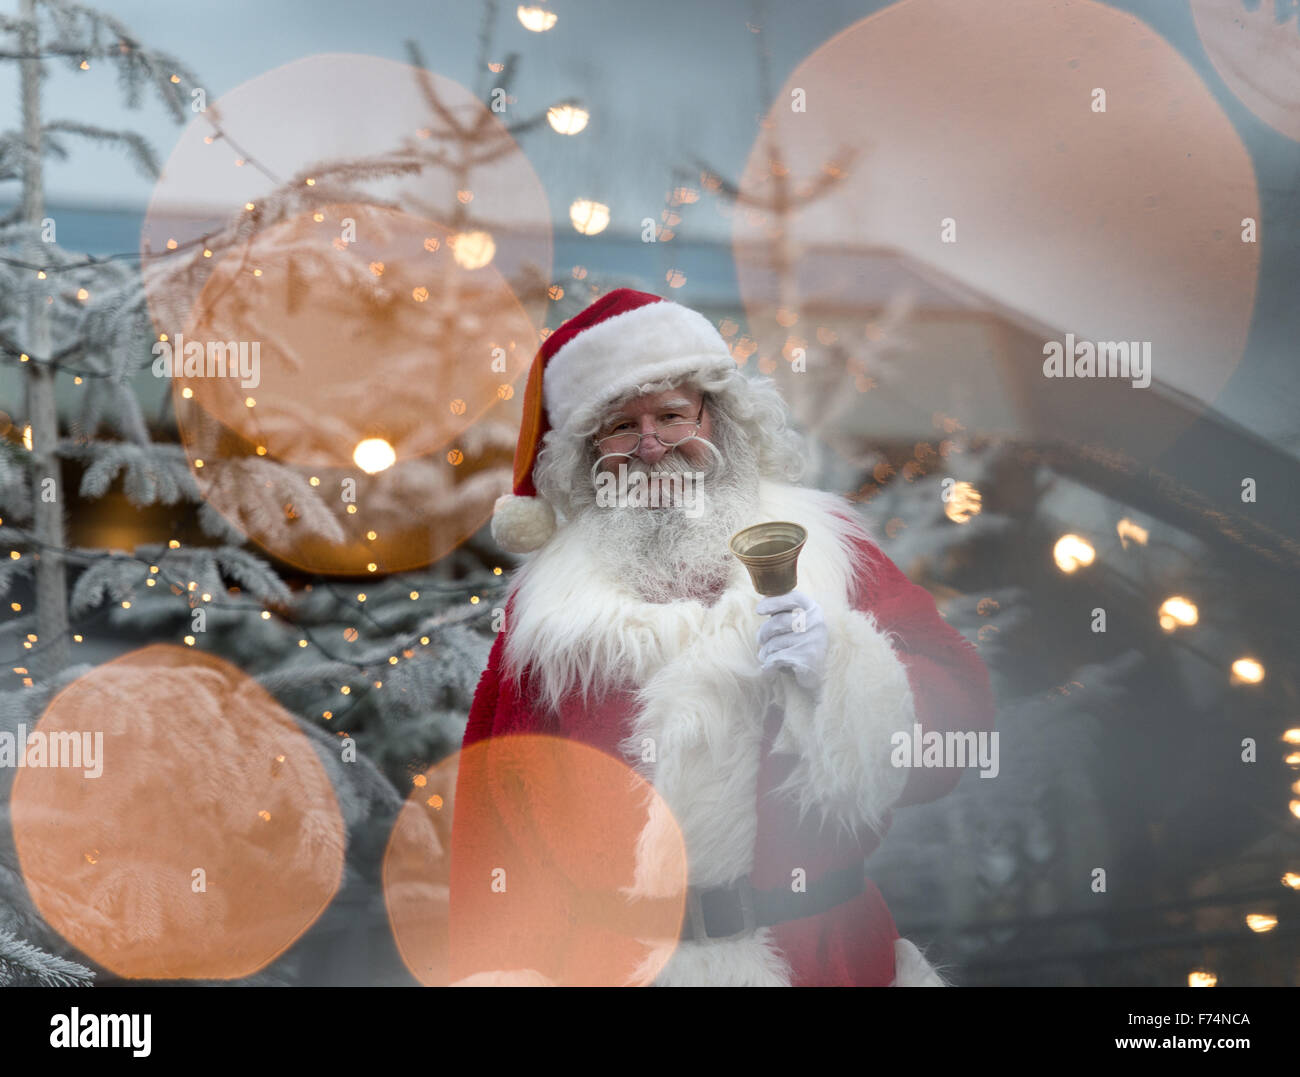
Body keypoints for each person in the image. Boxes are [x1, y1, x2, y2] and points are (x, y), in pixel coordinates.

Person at [447, 288, 995, 986]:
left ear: (718, 419)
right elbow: (492, 826)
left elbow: (959, 726)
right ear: (589, 455)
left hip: (822, 957)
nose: (650, 445)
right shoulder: (549, 617)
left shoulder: (827, 551)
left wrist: (844, 667)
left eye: (672, 414)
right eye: (620, 426)